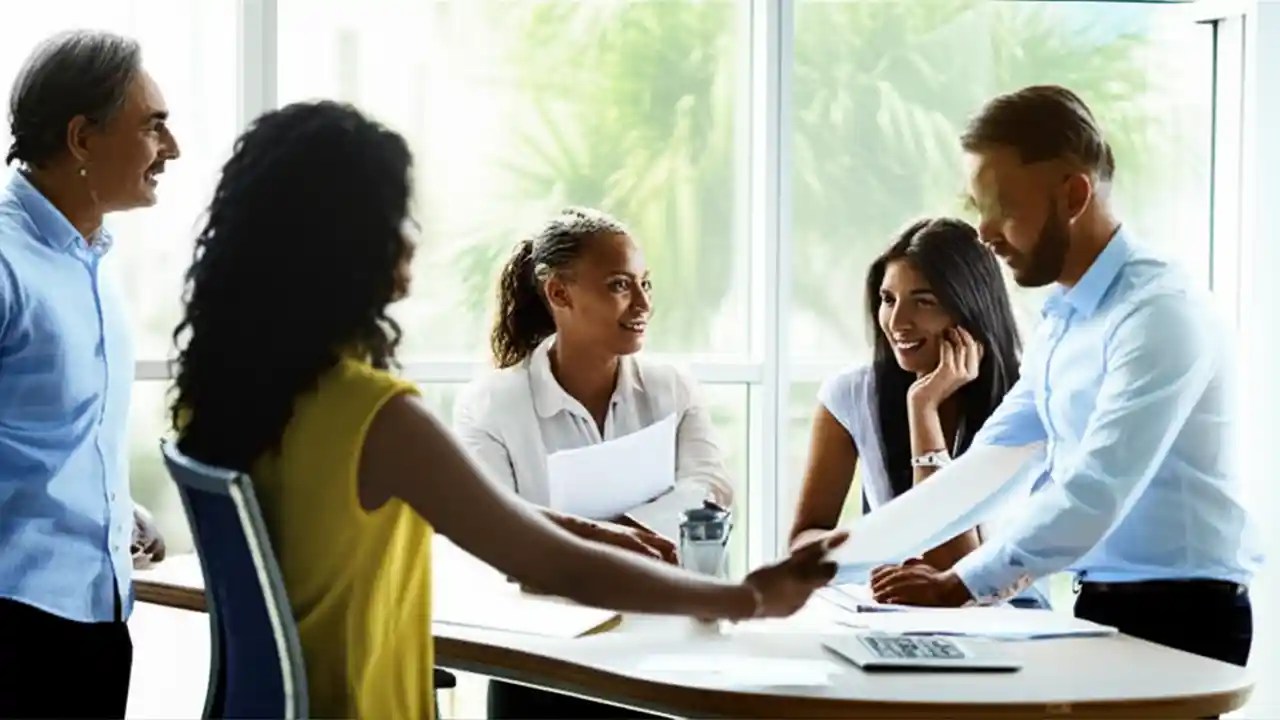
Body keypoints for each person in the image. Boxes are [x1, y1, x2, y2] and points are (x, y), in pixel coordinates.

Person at [168, 100, 845, 720]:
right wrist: (747, 598)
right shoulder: (378, 417)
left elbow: (487, 515)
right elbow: (551, 564)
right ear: (352, 238)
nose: (414, 233)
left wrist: (597, 532)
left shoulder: (228, 395)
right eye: (401, 212)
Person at [868, 85, 1263, 668]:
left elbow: (1096, 488)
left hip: (1185, 616)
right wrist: (842, 555)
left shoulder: (1157, 313)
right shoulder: (1065, 317)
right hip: (1100, 603)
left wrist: (960, 585)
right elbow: (992, 458)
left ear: (1074, 194)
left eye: (1001, 206)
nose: (984, 231)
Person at [453, 207, 735, 717]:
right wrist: (617, 543)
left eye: (645, 283)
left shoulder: (672, 386)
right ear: (559, 294)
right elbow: (495, 528)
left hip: (660, 647)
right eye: (619, 285)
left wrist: (618, 532)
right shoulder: (491, 404)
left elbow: (709, 486)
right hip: (541, 661)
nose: (643, 303)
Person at [0, 30, 179, 718]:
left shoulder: (92, 257)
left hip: (96, 620)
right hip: (18, 627)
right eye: (154, 128)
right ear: (81, 138)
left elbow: (40, 430)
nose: (172, 151)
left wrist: (113, 509)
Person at [788, 217, 1048, 606]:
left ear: (968, 309)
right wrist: (874, 547)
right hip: (901, 612)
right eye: (888, 299)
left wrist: (923, 409)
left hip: (1013, 616)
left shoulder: (1027, 401)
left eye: (923, 301)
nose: (897, 322)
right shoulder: (852, 394)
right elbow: (802, 544)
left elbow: (954, 565)